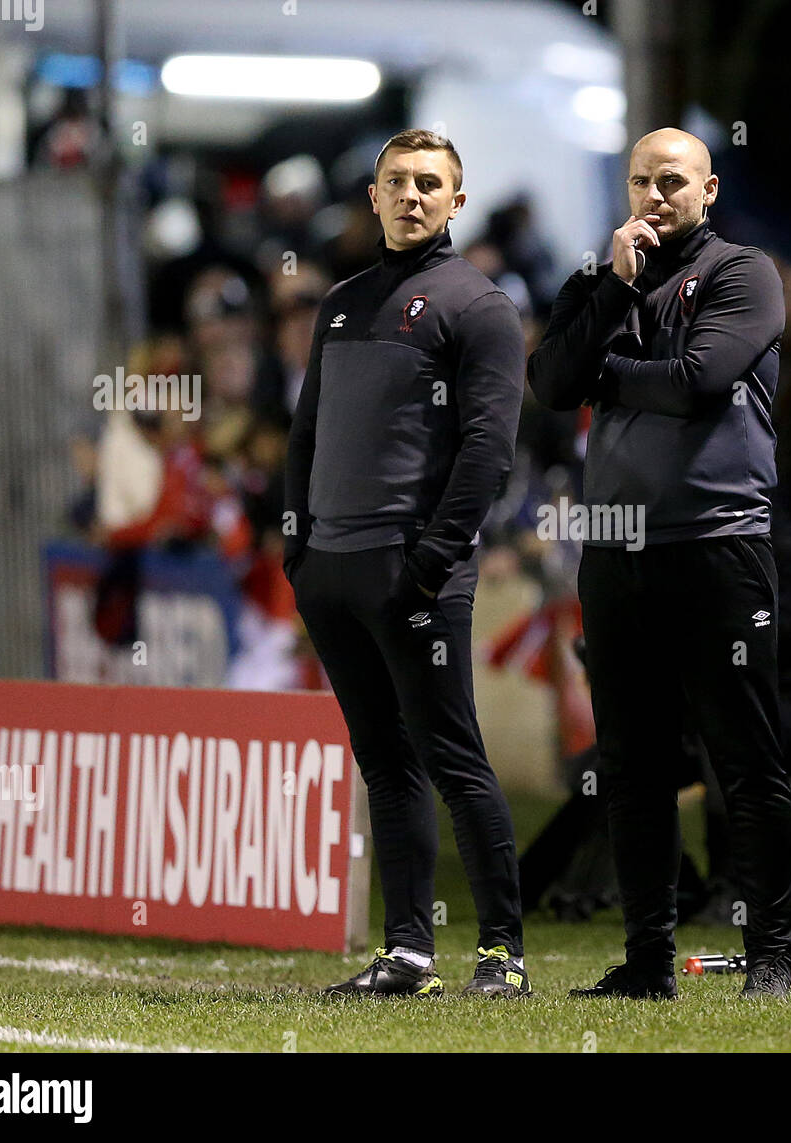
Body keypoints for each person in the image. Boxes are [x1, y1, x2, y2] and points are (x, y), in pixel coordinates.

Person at [528, 127, 791, 999]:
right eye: (642, 180)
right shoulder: (600, 281)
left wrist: (604, 370)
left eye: (674, 180)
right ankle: (648, 962)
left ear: (708, 190)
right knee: (632, 765)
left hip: (717, 543)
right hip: (616, 551)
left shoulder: (742, 273)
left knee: (744, 760)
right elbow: (548, 383)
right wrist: (613, 289)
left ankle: (770, 957)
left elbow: (696, 380)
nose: (656, 195)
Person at [283, 129, 529, 998]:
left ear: (457, 201)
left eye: (429, 183)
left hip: (412, 574)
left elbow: (489, 449)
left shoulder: (479, 306)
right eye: (397, 182)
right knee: (385, 765)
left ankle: (502, 954)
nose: (412, 195)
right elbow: (306, 434)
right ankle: (410, 953)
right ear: (374, 196)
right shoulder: (341, 303)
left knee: (454, 761)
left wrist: (429, 561)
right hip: (333, 571)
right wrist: (298, 549)